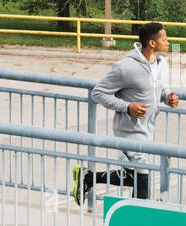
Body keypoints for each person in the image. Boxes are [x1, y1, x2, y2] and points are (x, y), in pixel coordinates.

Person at [72, 22, 179, 206]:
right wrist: (127, 107)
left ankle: (87, 177)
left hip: (148, 130)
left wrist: (167, 97)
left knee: (131, 177)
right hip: (129, 132)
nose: (168, 42)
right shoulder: (126, 67)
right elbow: (98, 92)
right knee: (143, 183)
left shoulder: (161, 63)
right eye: (164, 39)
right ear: (152, 43)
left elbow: (157, 89)